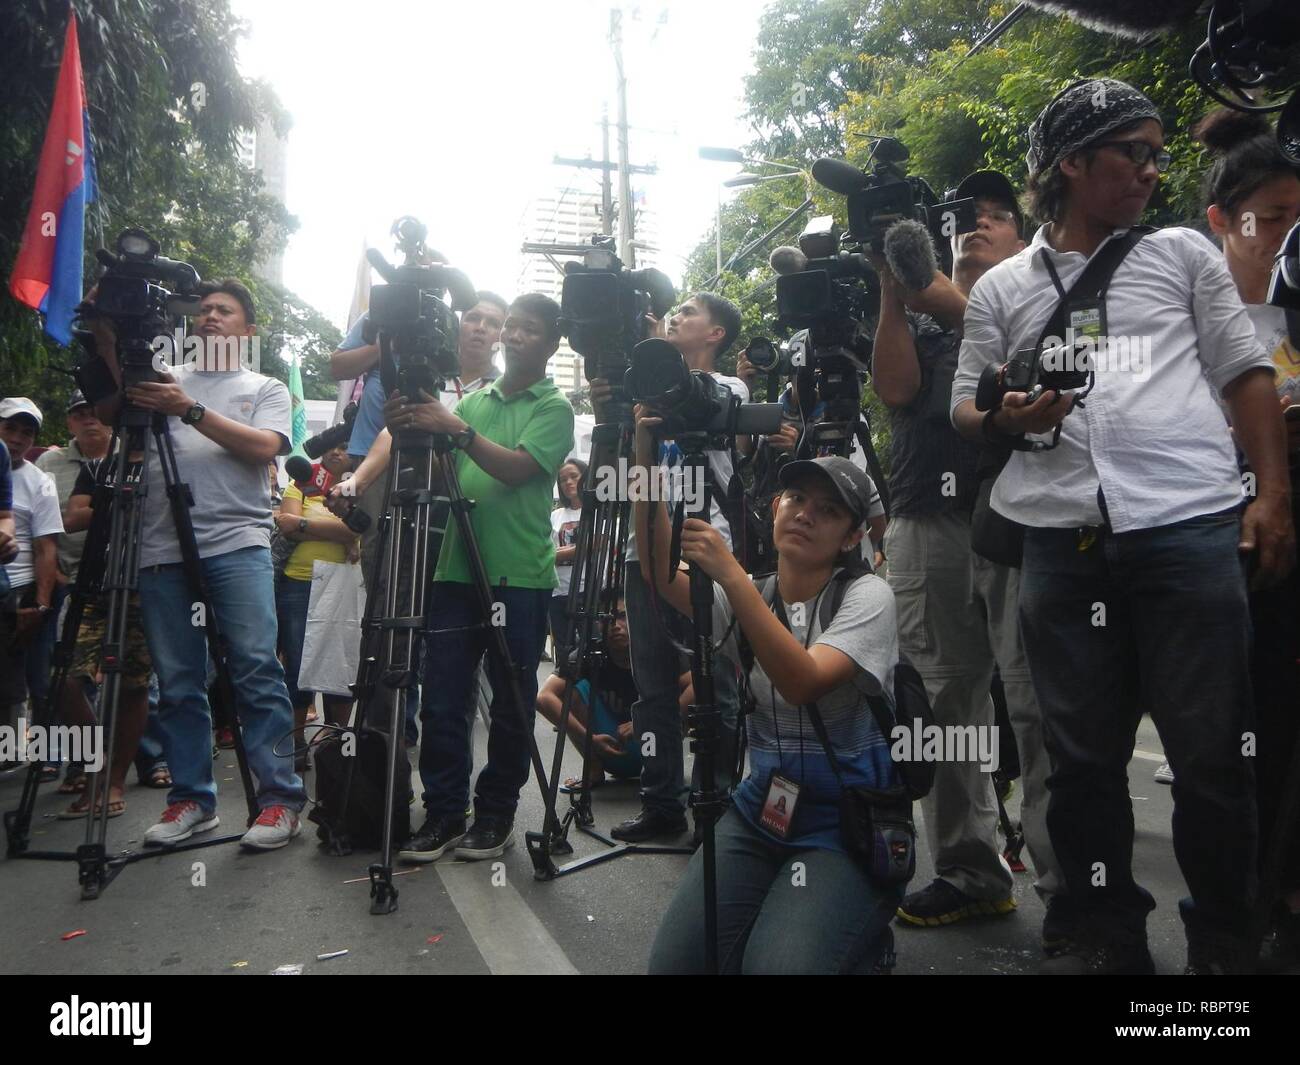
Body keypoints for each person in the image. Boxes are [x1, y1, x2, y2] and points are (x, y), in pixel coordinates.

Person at [951, 79, 1295, 974]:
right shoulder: (1002, 291)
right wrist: (1005, 420)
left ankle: (1224, 943)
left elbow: (1245, 373)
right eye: (1132, 153)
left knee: (1213, 756)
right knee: (1082, 763)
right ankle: (1110, 938)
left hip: (1187, 527)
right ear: (1072, 163)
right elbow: (963, 405)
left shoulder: (1182, 253)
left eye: (1155, 152)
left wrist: (1270, 496)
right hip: (1061, 542)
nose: (1153, 168)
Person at [632, 397, 902, 973]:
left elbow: (803, 681)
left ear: (853, 535)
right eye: (797, 499)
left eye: (828, 511)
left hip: (844, 821)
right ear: (775, 506)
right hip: (760, 810)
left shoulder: (867, 597)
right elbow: (657, 569)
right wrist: (646, 463)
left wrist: (728, 571)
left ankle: (865, 940)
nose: (805, 513)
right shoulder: (755, 595)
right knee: (674, 967)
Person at [870, 171, 1068, 943]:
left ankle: (1072, 890)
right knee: (948, 706)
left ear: (1025, 236)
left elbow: (1026, 368)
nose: (974, 226)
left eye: (994, 216)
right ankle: (970, 868)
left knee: (1038, 701)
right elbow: (893, 389)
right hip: (927, 518)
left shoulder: (1038, 298)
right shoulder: (921, 318)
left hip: (1022, 517)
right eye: (963, 217)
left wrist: (926, 285)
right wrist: (895, 290)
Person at [85, 278, 308, 851]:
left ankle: (279, 800)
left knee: (256, 670)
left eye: (224, 311)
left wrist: (190, 409)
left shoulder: (264, 386)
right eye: (204, 309)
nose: (210, 316)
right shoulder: (164, 377)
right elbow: (109, 415)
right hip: (160, 549)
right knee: (179, 681)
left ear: (248, 330)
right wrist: (109, 345)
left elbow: (265, 448)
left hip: (237, 544)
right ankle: (192, 798)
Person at [392, 293, 575, 863]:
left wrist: (459, 431)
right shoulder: (475, 402)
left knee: (512, 702)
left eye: (528, 330)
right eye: (510, 327)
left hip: (518, 574)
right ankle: (445, 811)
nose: (513, 336)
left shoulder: (555, 406)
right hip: (454, 569)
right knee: (443, 698)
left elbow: (518, 468)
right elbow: (436, 470)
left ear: (549, 344)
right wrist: (413, 427)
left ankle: (495, 813)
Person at [1195, 105, 1300, 969]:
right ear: (1222, 220)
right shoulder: (1180, 308)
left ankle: (1279, 901)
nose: (1287, 234)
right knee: (1225, 745)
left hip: (1291, 549)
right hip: (1210, 552)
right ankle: (1225, 925)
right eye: (1273, 216)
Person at [590, 292, 749, 844]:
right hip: (645, 550)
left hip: (707, 545)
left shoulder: (729, 389)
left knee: (718, 683)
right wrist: (634, 431)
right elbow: (633, 480)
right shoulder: (642, 399)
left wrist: (659, 362)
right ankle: (662, 803)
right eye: (673, 313)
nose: (677, 318)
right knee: (651, 685)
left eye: (689, 315)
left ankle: (719, 803)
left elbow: (724, 432)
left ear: (716, 335)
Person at [275, 443, 359, 771]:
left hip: (342, 583)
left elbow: (357, 526)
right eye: (331, 447)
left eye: (344, 447)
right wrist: (343, 535)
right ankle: (296, 740)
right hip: (297, 582)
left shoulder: (357, 486)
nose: (336, 452)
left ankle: (336, 737)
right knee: (297, 664)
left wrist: (307, 527)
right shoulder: (301, 482)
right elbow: (286, 524)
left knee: (339, 664)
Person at [0, 399, 62, 749]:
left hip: (21, 589)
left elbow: (46, 547)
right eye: (10, 428)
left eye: (27, 432)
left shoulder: (40, 481)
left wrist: (40, 605)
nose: (18, 438)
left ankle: (47, 755)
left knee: (39, 680)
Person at [535, 596, 640, 789]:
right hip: (608, 746)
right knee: (570, 692)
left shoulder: (653, 648)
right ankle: (593, 769)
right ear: (599, 625)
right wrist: (588, 738)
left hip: (655, 749)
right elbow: (544, 698)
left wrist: (648, 719)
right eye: (607, 619)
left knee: (681, 689)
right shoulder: (589, 652)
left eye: (623, 616)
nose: (615, 625)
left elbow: (692, 687)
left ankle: (665, 775)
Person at [549, 457, 586, 666]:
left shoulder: (597, 511)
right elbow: (543, 550)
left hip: (588, 592)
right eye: (563, 479)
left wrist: (555, 555)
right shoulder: (555, 515)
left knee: (588, 649)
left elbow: (595, 545)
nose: (568, 482)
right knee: (564, 653)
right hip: (558, 593)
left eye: (574, 476)